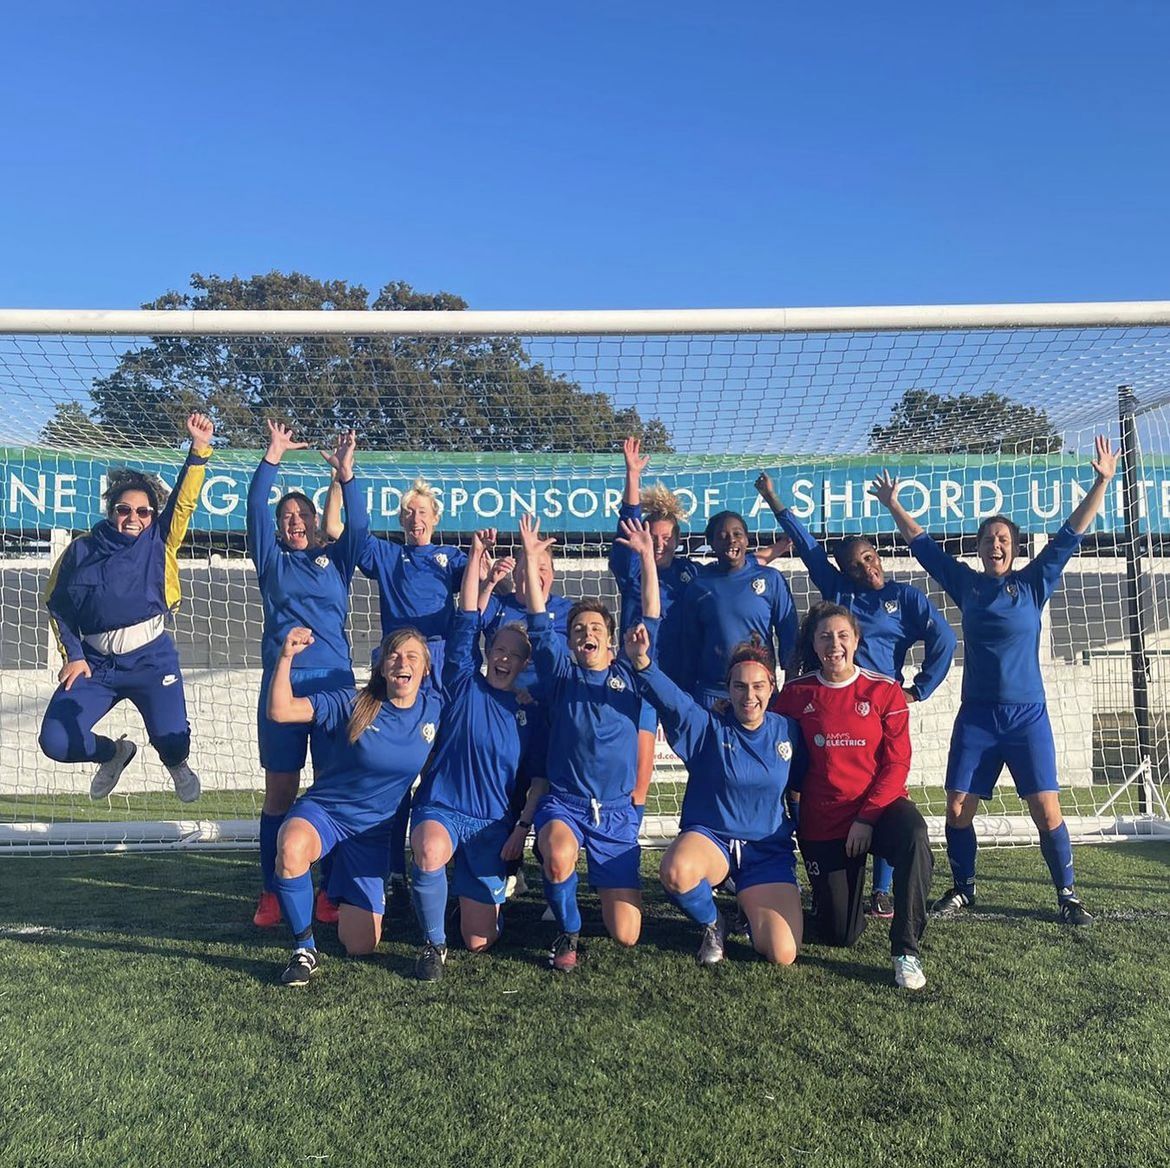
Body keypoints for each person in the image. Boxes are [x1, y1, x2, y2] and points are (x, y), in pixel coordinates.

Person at [870, 436, 1118, 926]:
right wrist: (893, 503)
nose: (995, 545)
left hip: (1027, 716)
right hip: (978, 716)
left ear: (1015, 547)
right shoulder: (969, 584)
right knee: (958, 806)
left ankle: (1067, 894)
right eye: (988, 540)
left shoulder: (1033, 583)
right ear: (980, 549)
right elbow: (924, 548)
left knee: (1046, 810)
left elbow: (1071, 531)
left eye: (1003, 539)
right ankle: (964, 888)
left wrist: (1102, 481)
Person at [755, 471, 957, 918]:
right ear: (844, 573)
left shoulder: (906, 597)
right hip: (829, 705)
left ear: (878, 554)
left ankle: (882, 889)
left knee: (885, 790)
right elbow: (807, 548)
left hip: (879, 709)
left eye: (870, 557)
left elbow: (944, 640)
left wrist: (918, 689)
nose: (867, 567)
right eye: (855, 564)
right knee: (816, 781)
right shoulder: (840, 593)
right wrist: (774, 499)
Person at [624, 541, 803, 965]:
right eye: (740, 686)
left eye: (758, 687)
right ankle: (713, 922)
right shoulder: (709, 726)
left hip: (766, 850)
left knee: (781, 954)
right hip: (714, 840)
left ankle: (749, 901)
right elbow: (673, 701)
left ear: (771, 689)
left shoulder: (788, 732)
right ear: (729, 688)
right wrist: (644, 664)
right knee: (676, 871)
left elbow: (802, 788)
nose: (749, 696)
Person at [40, 412, 214, 802]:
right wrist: (74, 655)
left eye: (142, 511)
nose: (132, 517)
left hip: (151, 660)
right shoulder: (81, 550)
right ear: (110, 511)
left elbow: (184, 502)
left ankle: (176, 764)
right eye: (124, 509)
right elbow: (57, 604)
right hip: (97, 666)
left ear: (152, 516)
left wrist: (198, 450)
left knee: (171, 740)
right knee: (55, 740)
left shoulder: (160, 541)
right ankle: (115, 753)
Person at [519, 512, 658, 971]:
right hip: (566, 803)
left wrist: (647, 558)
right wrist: (531, 556)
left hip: (617, 811)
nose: (587, 633)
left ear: (611, 640)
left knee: (627, 934)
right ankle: (568, 931)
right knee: (557, 856)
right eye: (579, 630)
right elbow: (538, 620)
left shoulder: (630, 674)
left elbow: (651, 616)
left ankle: (605, 886)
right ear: (572, 642)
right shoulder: (561, 676)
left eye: (596, 628)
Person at [267, 626, 442, 986]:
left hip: (371, 833)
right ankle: (304, 950)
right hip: (327, 814)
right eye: (394, 655)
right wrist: (285, 658)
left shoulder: (435, 710)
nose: (402, 662)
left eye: (411, 656)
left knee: (360, 945)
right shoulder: (353, 703)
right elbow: (281, 711)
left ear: (425, 669)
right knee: (290, 845)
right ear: (381, 667)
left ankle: (336, 886)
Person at [772, 602, 932, 990]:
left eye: (842, 635)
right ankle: (773, 910)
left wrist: (867, 818)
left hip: (879, 810)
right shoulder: (795, 694)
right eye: (825, 636)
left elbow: (897, 764)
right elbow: (765, 737)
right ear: (813, 642)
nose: (834, 644)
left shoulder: (884, 691)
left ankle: (905, 952)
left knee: (914, 836)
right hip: (824, 819)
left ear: (856, 640)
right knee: (839, 934)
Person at [247, 422, 366, 928]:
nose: (293, 520)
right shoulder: (271, 561)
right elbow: (254, 506)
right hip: (283, 687)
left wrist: (347, 476)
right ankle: (273, 890)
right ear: (278, 527)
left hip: (334, 688)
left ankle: (331, 891)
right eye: (286, 516)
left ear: (316, 521)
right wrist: (272, 454)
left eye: (301, 514)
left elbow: (358, 529)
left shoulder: (335, 561)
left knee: (333, 788)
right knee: (281, 791)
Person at [408, 528, 536, 980]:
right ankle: (432, 944)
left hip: (489, 824)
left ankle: (480, 897)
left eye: (513, 655)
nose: (503, 658)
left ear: (524, 665)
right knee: (427, 850)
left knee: (479, 942)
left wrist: (520, 829)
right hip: (442, 807)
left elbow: (537, 780)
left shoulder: (528, 711)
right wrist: (477, 554)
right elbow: (465, 617)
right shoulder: (463, 681)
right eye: (497, 650)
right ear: (487, 653)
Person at [356, 478, 472, 909]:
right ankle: (390, 869)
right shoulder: (388, 554)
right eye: (409, 512)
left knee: (446, 765)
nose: (416, 518)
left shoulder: (452, 559)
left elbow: (483, 584)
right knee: (394, 773)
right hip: (399, 667)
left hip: (441, 665)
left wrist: (486, 558)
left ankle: (454, 863)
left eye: (423, 512)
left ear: (436, 519)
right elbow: (340, 530)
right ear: (401, 518)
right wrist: (343, 477)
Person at [677, 507, 798, 709]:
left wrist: (791, 683)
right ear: (712, 544)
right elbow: (690, 646)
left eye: (737, 534)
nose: (731, 540)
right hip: (713, 693)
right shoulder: (699, 585)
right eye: (722, 536)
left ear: (747, 540)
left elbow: (789, 635)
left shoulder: (771, 579)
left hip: (759, 690)